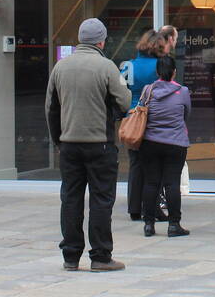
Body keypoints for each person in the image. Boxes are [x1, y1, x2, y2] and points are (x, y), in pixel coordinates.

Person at [45, 18, 131, 272]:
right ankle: (101, 256)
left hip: (69, 144)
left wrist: (58, 139)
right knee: (101, 200)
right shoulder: (106, 67)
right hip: (100, 144)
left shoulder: (60, 67)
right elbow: (124, 102)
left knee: (70, 198)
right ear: (102, 41)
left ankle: (70, 256)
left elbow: (51, 107)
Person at [137, 54, 193, 239]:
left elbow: (141, 112)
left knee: (151, 182)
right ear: (175, 71)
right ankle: (174, 224)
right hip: (175, 143)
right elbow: (187, 114)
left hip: (150, 143)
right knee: (172, 183)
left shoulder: (148, 90)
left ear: (157, 71)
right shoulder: (183, 91)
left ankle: (149, 224)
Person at [123, 29, 168, 224]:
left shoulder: (129, 66)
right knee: (155, 164)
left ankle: (134, 208)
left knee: (135, 164)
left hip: (133, 117)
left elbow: (119, 89)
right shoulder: (160, 65)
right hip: (154, 118)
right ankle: (153, 206)